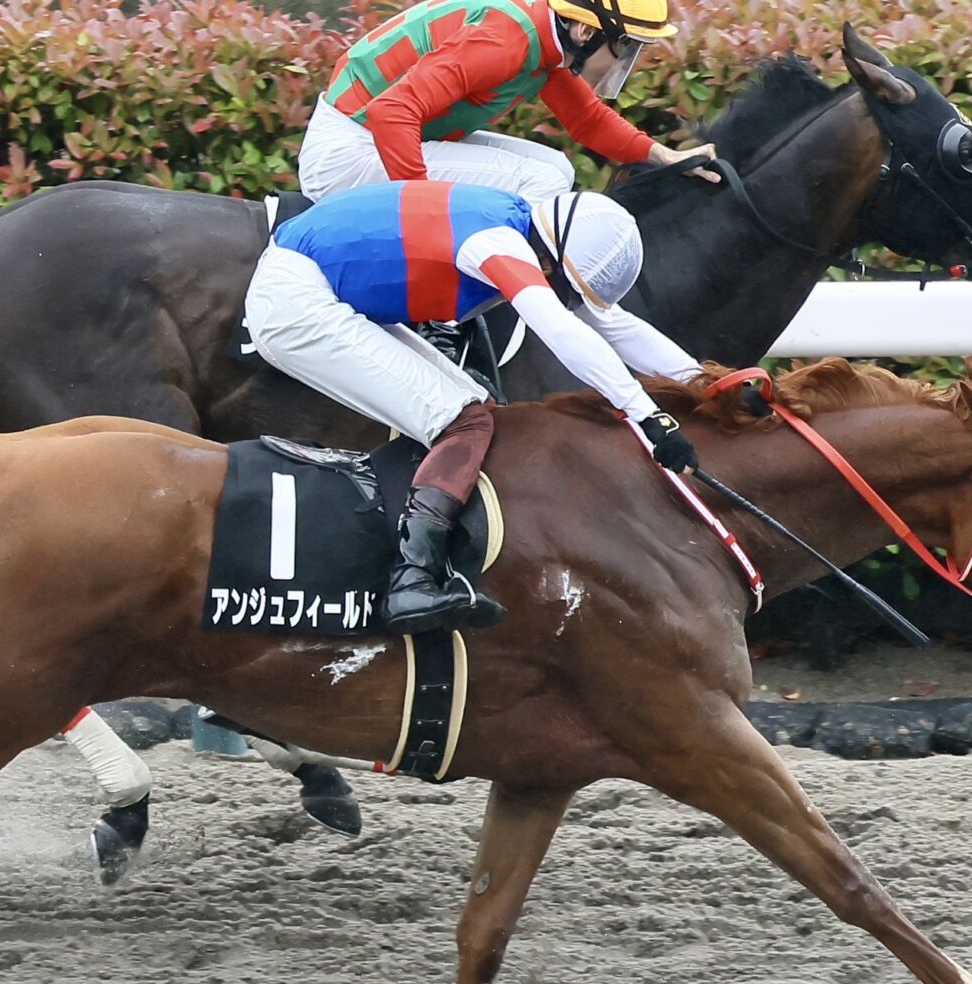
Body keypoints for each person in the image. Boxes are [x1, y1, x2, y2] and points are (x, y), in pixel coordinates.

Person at [246, 180, 704, 633]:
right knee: (464, 423)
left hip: (323, 288)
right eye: (563, 289)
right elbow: (562, 331)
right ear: (548, 263)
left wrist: (705, 382)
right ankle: (411, 580)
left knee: (481, 410)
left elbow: (615, 325)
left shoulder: (529, 229)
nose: (563, 300)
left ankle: (424, 553)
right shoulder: (496, 244)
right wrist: (647, 415)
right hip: (297, 301)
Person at [301, 0, 718, 204]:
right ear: (586, 33)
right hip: (348, 151)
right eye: (625, 46)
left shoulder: (546, 38)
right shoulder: (507, 41)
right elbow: (391, 112)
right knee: (541, 181)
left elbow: (588, 120)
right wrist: (423, 218)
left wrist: (665, 155)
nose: (626, 62)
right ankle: (451, 312)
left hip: (376, 135)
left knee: (557, 169)